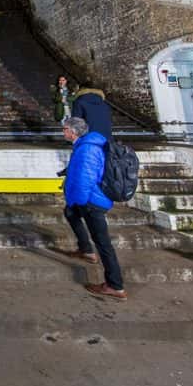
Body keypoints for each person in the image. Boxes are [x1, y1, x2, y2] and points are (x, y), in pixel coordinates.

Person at [59, 116, 126, 301]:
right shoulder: (85, 145)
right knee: (70, 213)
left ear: (73, 132)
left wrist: (76, 200)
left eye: (64, 129)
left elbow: (85, 179)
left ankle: (115, 285)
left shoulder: (86, 149)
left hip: (91, 201)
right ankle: (86, 250)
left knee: (103, 243)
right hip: (89, 199)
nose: (63, 132)